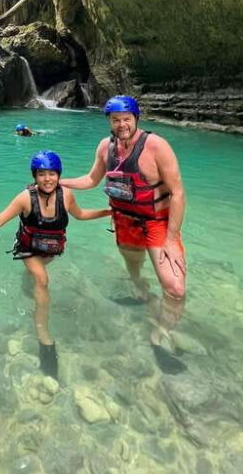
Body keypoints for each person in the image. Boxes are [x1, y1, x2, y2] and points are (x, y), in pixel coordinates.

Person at [60, 95, 187, 373]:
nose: (121, 125)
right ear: (109, 121)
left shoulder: (156, 146)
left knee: (175, 289)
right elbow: (92, 180)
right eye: (116, 120)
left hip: (156, 223)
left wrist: (171, 238)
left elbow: (177, 193)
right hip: (124, 221)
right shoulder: (106, 147)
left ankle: (160, 334)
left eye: (126, 119)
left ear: (136, 119)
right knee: (135, 269)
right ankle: (143, 295)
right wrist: (57, 180)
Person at [0, 150, 110, 379]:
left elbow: (81, 215)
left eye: (52, 174)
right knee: (42, 280)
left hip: (50, 250)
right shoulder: (25, 197)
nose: (47, 179)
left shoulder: (67, 195)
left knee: (36, 278)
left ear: (58, 175)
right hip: (27, 249)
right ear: (35, 176)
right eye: (41, 174)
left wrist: (108, 212)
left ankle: (30, 283)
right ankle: (45, 338)